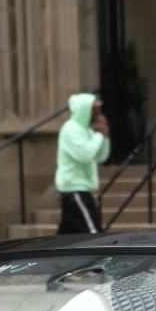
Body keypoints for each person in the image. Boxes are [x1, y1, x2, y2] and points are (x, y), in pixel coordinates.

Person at [55, 93, 111, 234]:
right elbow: (86, 154)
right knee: (95, 235)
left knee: (66, 237)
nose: (97, 113)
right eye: (94, 109)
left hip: (80, 189)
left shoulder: (87, 130)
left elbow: (100, 157)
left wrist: (104, 136)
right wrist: (99, 135)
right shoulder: (70, 129)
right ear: (84, 109)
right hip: (75, 189)